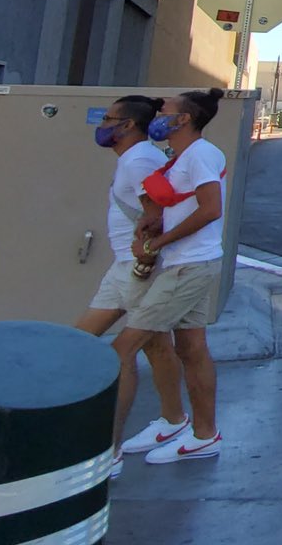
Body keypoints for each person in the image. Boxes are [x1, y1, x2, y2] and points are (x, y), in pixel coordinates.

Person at [75, 95, 189, 475]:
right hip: (126, 266)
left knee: (121, 352)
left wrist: (147, 254)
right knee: (149, 346)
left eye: (109, 118)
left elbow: (157, 211)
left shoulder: (139, 159)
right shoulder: (137, 157)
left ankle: (111, 452)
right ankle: (174, 420)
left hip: (139, 267)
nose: (103, 123)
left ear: (126, 126)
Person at [117, 88, 229, 466]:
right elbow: (184, 205)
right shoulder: (184, 156)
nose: (158, 114)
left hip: (188, 266)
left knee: (123, 348)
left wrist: (157, 244)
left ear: (184, 119)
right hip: (188, 262)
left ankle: (108, 452)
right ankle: (201, 434)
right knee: (191, 349)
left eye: (165, 109)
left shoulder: (199, 155)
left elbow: (211, 209)